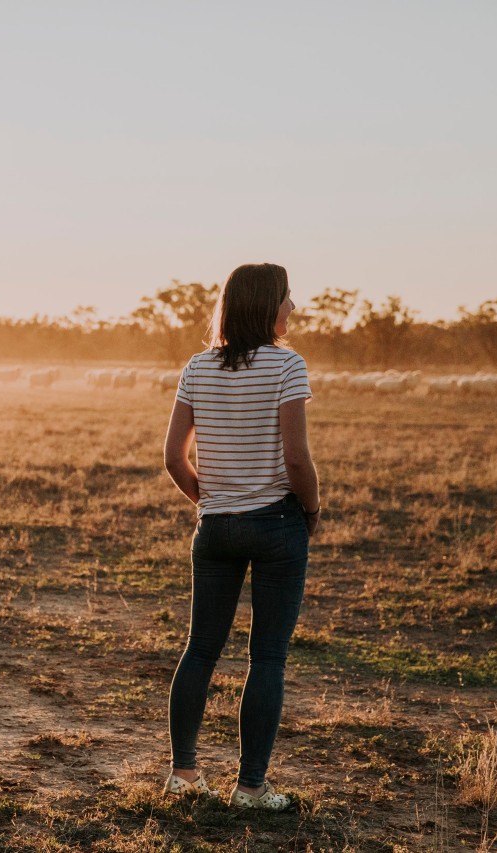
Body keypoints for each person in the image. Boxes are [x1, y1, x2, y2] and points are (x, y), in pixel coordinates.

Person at [160, 263, 320, 809]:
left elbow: (172, 458)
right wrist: (313, 509)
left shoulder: (197, 368)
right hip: (277, 524)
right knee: (267, 657)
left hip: (217, 529)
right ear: (266, 306)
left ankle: (183, 775)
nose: (293, 309)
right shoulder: (288, 366)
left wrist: (210, 502)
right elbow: (297, 458)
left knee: (200, 649)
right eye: (287, 299)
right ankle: (251, 787)